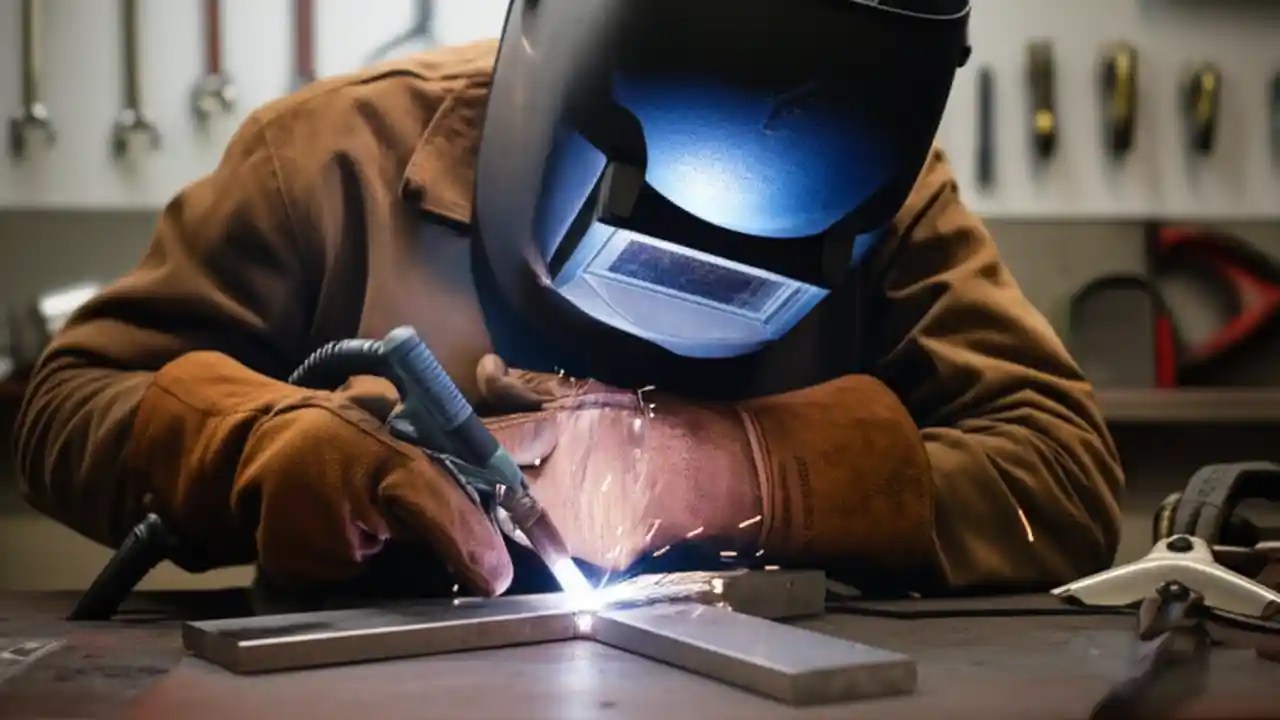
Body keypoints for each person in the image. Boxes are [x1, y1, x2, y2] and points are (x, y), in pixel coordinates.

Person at [13, 0, 1123, 600]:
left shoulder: (900, 197)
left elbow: (1059, 476)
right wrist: (259, 444)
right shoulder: (326, 159)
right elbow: (66, 404)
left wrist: (723, 471)